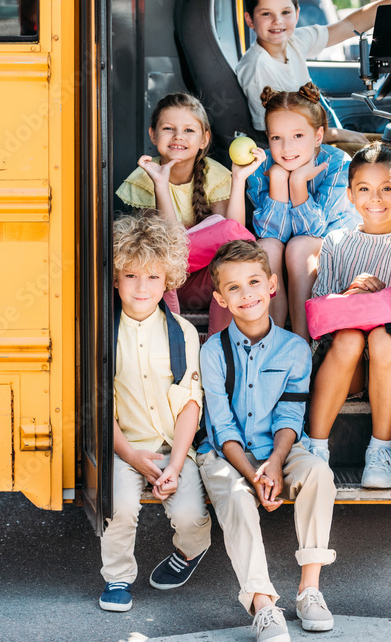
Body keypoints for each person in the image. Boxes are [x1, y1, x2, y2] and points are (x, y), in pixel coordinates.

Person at [197, 239, 337, 640]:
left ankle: (309, 590)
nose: (247, 295)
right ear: (221, 299)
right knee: (237, 495)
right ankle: (262, 603)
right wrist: (253, 475)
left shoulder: (294, 349)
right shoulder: (213, 352)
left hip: (277, 447)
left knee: (316, 471)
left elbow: (290, 416)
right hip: (228, 454)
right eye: (234, 288)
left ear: (272, 285)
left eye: (254, 282)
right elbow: (221, 427)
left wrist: (275, 462)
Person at [99, 214, 213, 613]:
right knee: (121, 507)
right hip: (123, 447)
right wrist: (131, 456)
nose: (142, 287)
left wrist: (176, 466)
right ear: (115, 279)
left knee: (191, 519)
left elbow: (189, 404)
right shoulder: (103, 333)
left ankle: (191, 551)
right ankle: (117, 577)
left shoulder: (180, 331)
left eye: (152, 277)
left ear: (168, 279)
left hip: (170, 449)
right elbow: (102, 406)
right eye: (131, 276)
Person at [307, 141, 391, 489]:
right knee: (350, 336)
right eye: (364, 189)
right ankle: (316, 449)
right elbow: (320, 309)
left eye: (387, 188)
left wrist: (382, 293)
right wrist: (351, 295)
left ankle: (381, 452)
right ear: (350, 195)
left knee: (381, 337)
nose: (375, 198)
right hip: (345, 364)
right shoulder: (337, 241)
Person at [117, 92, 264, 336]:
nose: (178, 137)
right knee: (159, 259)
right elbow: (164, 244)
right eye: (168, 128)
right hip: (165, 279)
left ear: (205, 139)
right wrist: (160, 185)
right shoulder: (145, 176)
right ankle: (176, 339)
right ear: (153, 134)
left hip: (207, 281)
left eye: (188, 130)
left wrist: (238, 178)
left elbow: (235, 242)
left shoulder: (215, 175)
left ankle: (219, 344)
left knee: (233, 253)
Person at [235, 0, 391, 145]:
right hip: (298, 150)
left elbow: (348, 25)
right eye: (266, 14)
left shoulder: (295, 41)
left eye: (285, 12)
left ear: (297, 14)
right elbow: (279, 136)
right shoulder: (256, 68)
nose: (277, 21)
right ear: (250, 19)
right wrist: (336, 134)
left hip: (316, 135)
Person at [246, 83, 359, 341]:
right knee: (266, 248)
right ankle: (271, 343)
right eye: (277, 138)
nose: (286, 148)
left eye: (298, 136)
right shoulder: (262, 166)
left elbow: (316, 233)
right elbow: (271, 233)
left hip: (330, 250)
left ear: (318, 136)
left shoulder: (338, 164)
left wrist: (297, 185)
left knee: (299, 247)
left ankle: (302, 344)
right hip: (289, 248)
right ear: (268, 137)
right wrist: (278, 182)